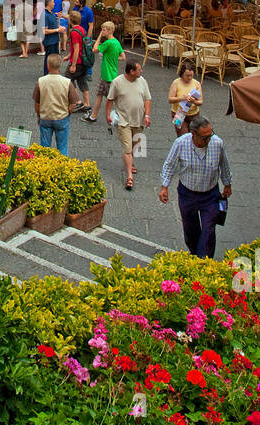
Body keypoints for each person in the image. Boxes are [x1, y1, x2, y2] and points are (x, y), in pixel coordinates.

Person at [159, 116, 232, 258]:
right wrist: (164, 186)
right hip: (187, 194)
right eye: (205, 137)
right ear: (193, 134)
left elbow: (224, 165)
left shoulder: (217, 143)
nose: (208, 139)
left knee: (208, 230)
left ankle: (203, 261)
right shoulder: (180, 143)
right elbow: (169, 165)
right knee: (190, 229)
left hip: (210, 195)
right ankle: (194, 254)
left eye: (210, 135)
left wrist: (227, 184)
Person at [106, 59, 151, 189]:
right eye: (139, 69)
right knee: (127, 147)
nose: (141, 71)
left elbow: (147, 99)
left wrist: (147, 115)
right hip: (123, 120)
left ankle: (130, 162)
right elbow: (110, 99)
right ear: (131, 71)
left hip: (138, 120)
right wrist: (108, 114)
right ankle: (129, 176)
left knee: (135, 146)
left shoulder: (142, 81)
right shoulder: (117, 82)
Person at [33, 53, 79, 154]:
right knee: (62, 147)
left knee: (45, 149)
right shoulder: (67, 82)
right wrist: (68, 113)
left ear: (48, 65)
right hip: (61, 117)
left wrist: (38, 115)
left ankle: (45, 166)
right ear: (60, 65)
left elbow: (36, 103)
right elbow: (73, 103)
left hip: (46, 117)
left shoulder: (41, 81)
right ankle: (62, 167)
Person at [85, 21, 123, 122]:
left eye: (104, 30)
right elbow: (123, 57)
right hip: (111, 73)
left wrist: (99, 37)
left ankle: (123, 116)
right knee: (100, 94)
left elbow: (94, 49)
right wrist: (112, 58)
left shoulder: (108, 43)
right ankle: (93, 116)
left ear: (110, 31)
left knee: (113, 98)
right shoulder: (116, 42)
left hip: (107, 75)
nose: (102, 31)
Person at [167, 60, 202, 135]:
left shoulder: (197, 84)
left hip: (193, 114)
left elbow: (200, 102)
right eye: (187, 75)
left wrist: (193, 101)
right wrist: (181, 98)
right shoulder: (176, 83)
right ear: (182, 74)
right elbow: (170, 99)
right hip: (179, 113)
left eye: (191, 75)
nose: (189, 78)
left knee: (194, 136)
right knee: (183, 136)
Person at [66, 9, 91, 113]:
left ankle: (77, 101)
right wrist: (68, 56)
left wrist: (73, 65)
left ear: (70, 20)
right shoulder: (82, 29)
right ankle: (87, 104)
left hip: (78, 61)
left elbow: (76, 49)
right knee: (82, 81)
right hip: (84, 61)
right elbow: (79, 47)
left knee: (68, 78)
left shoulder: (74, 33)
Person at [41, 0, 61, 71]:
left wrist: (59, 27)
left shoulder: (52, 13)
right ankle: (47, 73)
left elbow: (53, 24)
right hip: (49, 41)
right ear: (49, 3)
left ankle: (54, 72)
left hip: (55, 40)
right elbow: (44, 31)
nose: (54, 3)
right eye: (53, 2)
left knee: (55, 58)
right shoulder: (44, 15)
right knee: (49, 58)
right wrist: (57, 30)